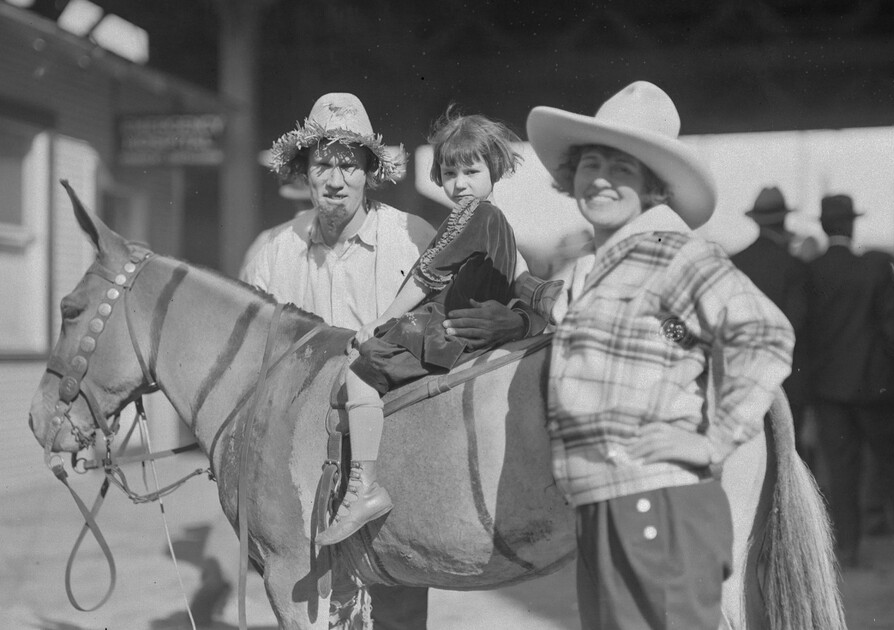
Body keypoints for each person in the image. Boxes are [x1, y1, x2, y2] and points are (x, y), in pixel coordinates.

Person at [242, 92, 538, 629]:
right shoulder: (271, 255)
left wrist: (511, 322)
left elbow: (522, 289)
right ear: (304, 172)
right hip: (297, 474)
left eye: (349, 164)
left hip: (392, 472)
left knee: (396, 617)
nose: (335, 179)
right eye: (323, 163)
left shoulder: (413, 236)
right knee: (306, 612)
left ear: (369, 173)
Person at [526, 80, 795, 629]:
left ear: (654, 189)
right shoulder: (595, 269)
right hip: (602, 505)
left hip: (658, 504)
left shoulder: (675, 253)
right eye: (589, 163)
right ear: (570, 176)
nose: (600, 179)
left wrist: (713, 439)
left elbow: (766, 335)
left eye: (622, 169)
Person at [315, 109, 528, 546]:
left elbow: (426, 275)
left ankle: (365, 485)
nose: (460, 184)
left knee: (361, 371)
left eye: (471, 171)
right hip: (467, 328)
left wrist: (383, 319)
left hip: (451, 329)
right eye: (450, 173)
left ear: (496, 171)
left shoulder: (475, 217)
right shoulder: (494, 223)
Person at [805, 194, 894, 568]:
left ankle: (847, 548)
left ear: (825, 227)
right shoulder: (874, 267)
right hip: (875, 387)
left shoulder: (811, 272)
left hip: (830, 390)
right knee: (892, 464)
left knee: (842, 471)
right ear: (852, 225)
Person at [730, 186, 814, 466]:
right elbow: (798, 322)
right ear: (784, 220)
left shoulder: (735, 263)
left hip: (743, 373)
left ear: (756, 220)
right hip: (787, 376)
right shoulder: (794, 267)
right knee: (789, 450)